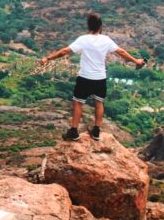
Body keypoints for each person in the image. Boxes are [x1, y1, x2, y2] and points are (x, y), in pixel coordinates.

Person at [38, 12, 143, 140]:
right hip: (100, 78)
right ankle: (96, 131)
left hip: (84, 77)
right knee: (99, 103)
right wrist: (136, 61)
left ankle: (74, 131)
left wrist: (48, 58)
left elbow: (65, 51)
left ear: (88, 26)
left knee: (78, 103)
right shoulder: (106, 40)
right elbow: (121, 52)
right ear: (100, 27)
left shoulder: (83, 39)